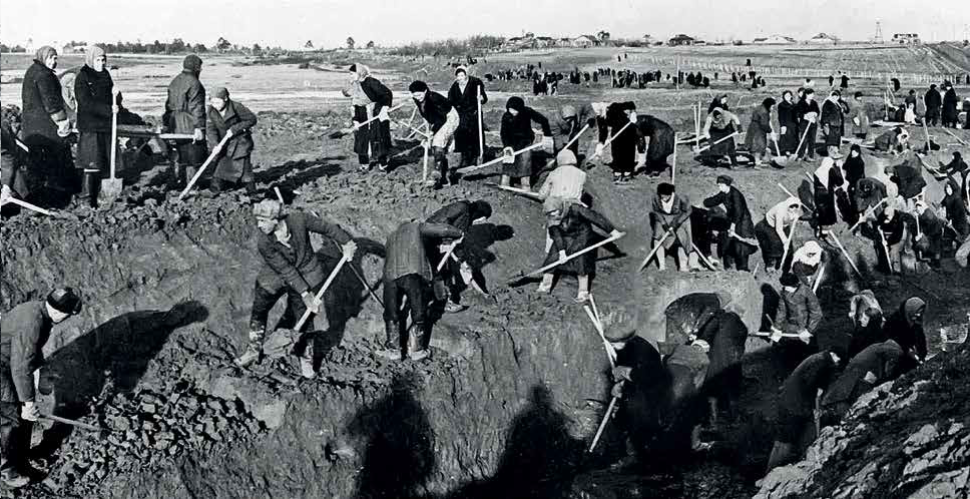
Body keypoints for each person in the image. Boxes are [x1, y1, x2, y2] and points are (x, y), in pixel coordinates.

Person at [236, 200, 357, 378]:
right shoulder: (263, 241)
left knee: (305, 315)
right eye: (258, 221)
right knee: (260, 305)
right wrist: (305, 292)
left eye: (263, 221)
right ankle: (254, 349)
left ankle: (305, 357)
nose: (259, 225)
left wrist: (346, 242)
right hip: (276, 273)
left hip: (308, 270)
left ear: (275, 219)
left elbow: (327, 228)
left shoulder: (299, 219)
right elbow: (285, 269)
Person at [1, 288, 83, 489]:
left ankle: (21, 459)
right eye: (68, 315)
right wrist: (28, 403)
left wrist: (42, 370)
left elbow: (29, 349)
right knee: (12, 417)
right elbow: (20, 367)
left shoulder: (38, 310)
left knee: (25, 417)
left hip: (8, 364)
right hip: (2, 369)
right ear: (62, 313)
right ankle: (9, 472)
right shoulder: (34, 322)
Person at [380, 219, 464, 361]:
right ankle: (416, 349)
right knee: (418, 309)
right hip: (412, 272)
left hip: (389, 275)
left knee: (391, 311)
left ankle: (393, 349)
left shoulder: (391, 235)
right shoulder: (416, 227)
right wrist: (459, 233)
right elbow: (442, 229)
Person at [765, 347, 844, 474]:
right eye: (838, 359)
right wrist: (815, 405)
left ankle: (769, 472)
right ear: (833, 354)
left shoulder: (817, 358)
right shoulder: (820, 362)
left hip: (787, 402)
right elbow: (810, 386)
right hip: (794, 407)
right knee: (786, 443)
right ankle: (771, 474)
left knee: (781, 442)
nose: (838, 362)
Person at [602, 309, 666, 462]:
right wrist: (619, 386)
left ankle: (642, 457)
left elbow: (646, 376)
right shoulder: (626, 349)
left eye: (613, 343)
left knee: (642, 425)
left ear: (623, 340)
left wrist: (624, 373)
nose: (611, 346)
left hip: (652, 394)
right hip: (638, 393)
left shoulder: (641, 350)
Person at [537, 203, 623, 303]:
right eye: (550, 213)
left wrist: (612, 231)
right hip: (564, 237)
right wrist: (561, 252)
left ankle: (583, 292)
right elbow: (557, 235)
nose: (553, 215)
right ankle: (545, 286)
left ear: (560, 207)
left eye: (554, 211)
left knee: (580, 259)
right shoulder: (551, 219)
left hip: (582, 234)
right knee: (552, 258)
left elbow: (595, 218)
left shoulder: (575, 209)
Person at [21, 46, 73, 206]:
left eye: (56, 58)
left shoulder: (33, 70)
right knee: (54, 162)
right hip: (46, 128)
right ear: (43, 58)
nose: (54, 62)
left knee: (36, 164)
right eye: (51, 58)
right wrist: (63, 122)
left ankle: (36, 196)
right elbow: (51, 104)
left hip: (31, 126)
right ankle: (58, 197)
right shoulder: (44, 75)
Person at [426, 200, 492, 312]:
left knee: (442, 268)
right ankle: (443, 302)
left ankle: (442, 299)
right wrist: (460, 258)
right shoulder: (465, 212)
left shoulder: (462, 206)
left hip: (429, 232)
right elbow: (454, 234)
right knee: (442, 269)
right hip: (433, 237)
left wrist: (460, 258)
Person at [821, 339, 904, 426]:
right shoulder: (891, 350)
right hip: (853, 383)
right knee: (851, 406)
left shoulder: (877, 348)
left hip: (851, 379)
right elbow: (889, 366)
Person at [73, 45, 115, 207]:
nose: (101, 63)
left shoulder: (105, 75)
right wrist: (107, 110)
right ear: (91, 60)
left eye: (103, 60)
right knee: (91, 163)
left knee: (103, 162)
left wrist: (117, 101)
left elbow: (112, 95)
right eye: (98, 60)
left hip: (105, 125)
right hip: (90, 125)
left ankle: (101, 196)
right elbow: (85, 102)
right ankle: (86, 198)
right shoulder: (83, 77)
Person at [163, 55, 206, 189]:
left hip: (174, 122)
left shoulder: (175, 81)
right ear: (197, 67)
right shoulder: (195, 83)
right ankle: (192, 186)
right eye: (200, 67)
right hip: (188, 122)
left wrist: (167, 123)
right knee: (194, 155)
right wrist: (199, 127)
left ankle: (179, 182)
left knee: (180, 153)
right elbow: (196, 106)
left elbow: (168, 104)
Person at [205, 87, 257, 194]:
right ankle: (214, 192)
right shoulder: (211, 111)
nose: (215, 105)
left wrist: (235, 129)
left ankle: (253, 194)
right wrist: (214, 144)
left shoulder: (237, 107)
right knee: (220, 167)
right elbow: (210, 129)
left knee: (245, 170)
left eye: (218, 102)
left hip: (240, 142)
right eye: (213, 102)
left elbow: (252, 119)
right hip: (224, 144)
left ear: (225, 98)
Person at [409, 80, 459, 189]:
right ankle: (445, 178)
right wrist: (429, 132)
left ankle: (437, 175)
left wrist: (432, 133)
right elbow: (427, 116)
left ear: (425, 91)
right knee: (436, 146)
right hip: (438, 120)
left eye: (419, 94)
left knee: (438, 142)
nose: (418, 97)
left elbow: (441, 118)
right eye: (415, 95)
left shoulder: (433, 98)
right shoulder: (418, 100)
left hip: (449, 117)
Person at [702, 175, 757, 271]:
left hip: (743, 221)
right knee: (726, 241)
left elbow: (738, 211)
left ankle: (743, 268)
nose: (719, 187)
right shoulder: (723, 193)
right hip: (732, 219)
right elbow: (714, 200)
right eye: (718, 185)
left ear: (727, 185)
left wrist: (733, 225)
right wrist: (705, 202)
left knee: (742, 244)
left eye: (721, 185)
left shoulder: (736, 195)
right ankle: (728, 266)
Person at [537, 149, 587, 251]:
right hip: (574, 206)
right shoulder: (582, 174)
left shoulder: (554, 173)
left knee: (552, 228)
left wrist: (543, 197)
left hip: (558, 205)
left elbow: (541, 195)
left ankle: (549, 249)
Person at [346, 64, 393, 172]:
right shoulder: (356, 85)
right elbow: (356, 103)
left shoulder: (371, 82)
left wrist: (384, 108)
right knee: (361, 139)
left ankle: (383, 164)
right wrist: (356, 120)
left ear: (359, 73)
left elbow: (387, 94)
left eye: (352, 73)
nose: (350, 76)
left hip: (376, 113)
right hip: (362, 114)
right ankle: (364, 164)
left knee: (379, 138)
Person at [771, 272, 823, 367]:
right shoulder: (784, 293)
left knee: (808, 356)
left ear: (793, 285)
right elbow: (781, 311)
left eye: (786, 286)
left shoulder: (806, 292)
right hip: (792, 326)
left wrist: (809, 330)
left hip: (806, 325)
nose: (784, 288)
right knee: (790, 353)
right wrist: (777, 328)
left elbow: (816, 313)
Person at [500, 96, 552, 190]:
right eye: (510, 109)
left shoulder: (527, 112)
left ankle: (525, 185)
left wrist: (547, 135)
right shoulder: (506, 116)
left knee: (525, 163)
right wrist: (507, 146)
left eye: (515, 110)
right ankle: (505, 184)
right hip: (511, 143)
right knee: (508, 163)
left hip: (525, 142)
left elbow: (544, 120)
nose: (512, 112)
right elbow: (503, 133)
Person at [650, 182, 696, 271]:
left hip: (680, 218)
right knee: (658, 238)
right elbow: (656, 212)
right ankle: (662, 265)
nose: (663, 198)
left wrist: (677, 222)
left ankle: (683, 266)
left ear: (671, 194)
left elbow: (688, 211)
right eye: (661, 196)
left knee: (682, 240)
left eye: (665, 196)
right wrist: (663, 224)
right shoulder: (655, 198)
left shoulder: (681, 198)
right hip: (663, 218)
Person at [447, 67, 488, 168]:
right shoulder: (454, 87)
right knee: (461, 137)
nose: (460, 78)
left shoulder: (475, 83)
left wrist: (481, 99)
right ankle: (464, 159)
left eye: (462, 75)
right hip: (460, 116)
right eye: (458, 76)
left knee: (474, 137)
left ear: (466, 75)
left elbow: (484, 98)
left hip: (473, 115)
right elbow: (450, 100)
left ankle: (476, 157)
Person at [861, 203, 912, 274]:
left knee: (894, 251)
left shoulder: (899, 219)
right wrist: (863, 223)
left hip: (898, 239)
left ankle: (897, 272)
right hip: (886, 239)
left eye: (888, 217)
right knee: (882, 252)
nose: (885, 218)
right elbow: (872, 234)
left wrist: (888, 242)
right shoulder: (882, 218)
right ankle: (885, 271)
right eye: (885, 216)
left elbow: (897, 236)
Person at [755, 197, 802, 273]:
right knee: (775, 245)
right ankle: (770, 264)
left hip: (784, 226)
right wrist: (784, 241)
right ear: (787, 205)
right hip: (769, 226)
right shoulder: (780, 211)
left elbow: (793, 218)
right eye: (791, 206)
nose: (793, 208)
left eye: (795, 206)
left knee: (789, 248)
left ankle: (784, 265)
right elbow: (778, 229)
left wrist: (797, 218)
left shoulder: (796, 210)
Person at [882, 297, 927, 369]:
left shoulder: (916, 322)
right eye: (917, 313)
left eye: (920, 313)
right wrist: (907, 349)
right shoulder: (894, 321)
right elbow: (890, 339)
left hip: (912, 356)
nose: (918, 315)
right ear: (910, 310)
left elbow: (921, 341)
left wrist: (921, 355)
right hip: (895, 355)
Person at [601, 101, 640, 183]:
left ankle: (627, 172)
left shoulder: (616, 108)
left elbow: (631, 105)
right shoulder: (612, 111)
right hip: (618, 134)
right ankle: (618, 172)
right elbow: (609, 123)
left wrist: (633, 114)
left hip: (629, 133)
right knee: (617, 152)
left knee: (628, 152)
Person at [813, 146, 846, 235]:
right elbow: (840, 182)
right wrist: (839, 168)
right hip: (826, 195)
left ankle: (818, 228)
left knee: (821, 212)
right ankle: (824, 233)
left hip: (818, 193)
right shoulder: (832, 169)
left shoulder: (820, 169)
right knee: (826, 215)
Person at [847, 290, 886, 357]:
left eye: (865, 319)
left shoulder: (878, 337)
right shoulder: (860, 326)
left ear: (872, 323)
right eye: (862, 316)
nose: (861, 319)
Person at [745, 98, 776, 166]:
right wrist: (770, 131)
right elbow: (764, 124)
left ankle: (756, 160)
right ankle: (757, 162)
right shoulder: (764, 112)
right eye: (772, 106)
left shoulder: (760, 107)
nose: (772, 108)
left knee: (755, 144)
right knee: (759, 145)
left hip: (753, 128)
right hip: (758, 130)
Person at [796, 89, 820, 160]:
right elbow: (798, 113)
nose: (812, 95)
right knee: (804, 140)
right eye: (811, 94)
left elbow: (818, 111)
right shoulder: (801, 103)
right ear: (806, 94)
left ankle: (810, 156)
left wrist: (815, 114)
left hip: (813, 124)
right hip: (804, 124)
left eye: (813, 94)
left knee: (812, 140)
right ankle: (801, 155)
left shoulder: (814, 102)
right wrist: (806, 115)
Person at [778, 91, 799, 156]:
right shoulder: (782, 105)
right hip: (786, 123)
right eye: (786, 96)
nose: (788, 97)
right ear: (783, 97)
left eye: (789, 95)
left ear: (791, 96)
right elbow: (780, 116)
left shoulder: (794, 104)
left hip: (794, 123)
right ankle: (786, 151)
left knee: (794, 137)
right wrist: (782, 125)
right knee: (786, 137)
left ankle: (793, 150)